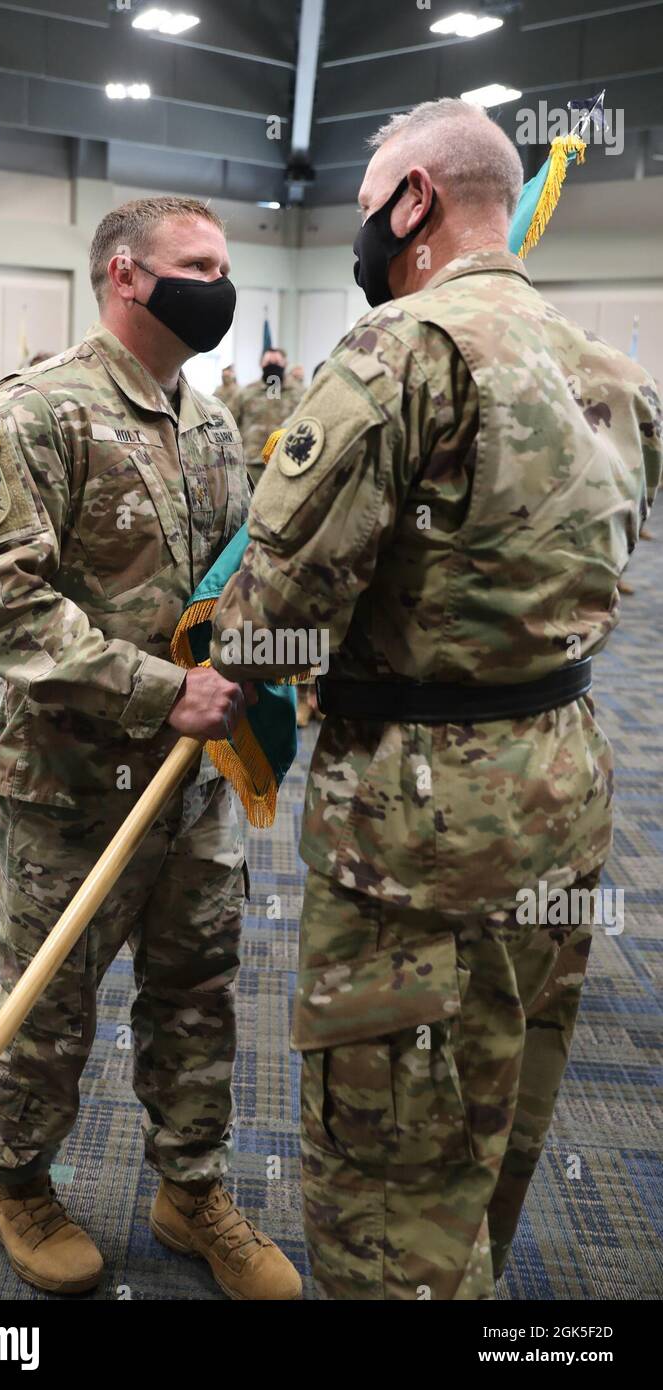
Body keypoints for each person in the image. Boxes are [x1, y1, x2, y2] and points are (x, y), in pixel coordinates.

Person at [210, 98, 662, 1299]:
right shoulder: (611, 369)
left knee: (391, 1187)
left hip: (418, 829)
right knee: (500, 1105)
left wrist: (235, 653)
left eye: (365, 206)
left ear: (413, 202)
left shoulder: (397, 352)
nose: (362, 229)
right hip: (561, 789)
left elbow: (269, 622)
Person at [0, 195, 301, 1302]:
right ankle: (14, 1178)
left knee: (198, 992)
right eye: (198, 262)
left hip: (192, 784)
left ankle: (189, 1189)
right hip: (70, 787)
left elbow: (229, 590)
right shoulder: (36, 411)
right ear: (126, 275)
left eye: (224, 263)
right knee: (48, 1007)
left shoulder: (205, 423)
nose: (221, 283)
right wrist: (160, 691)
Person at [235, 347, 304, 487]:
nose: (273, 365)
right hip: (252, 461)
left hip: (286, 461)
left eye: (277, 361)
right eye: (268, 361)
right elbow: (231, 421)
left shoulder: (299, 393)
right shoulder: (247, 392)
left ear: (285, 364)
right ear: (261, 364)